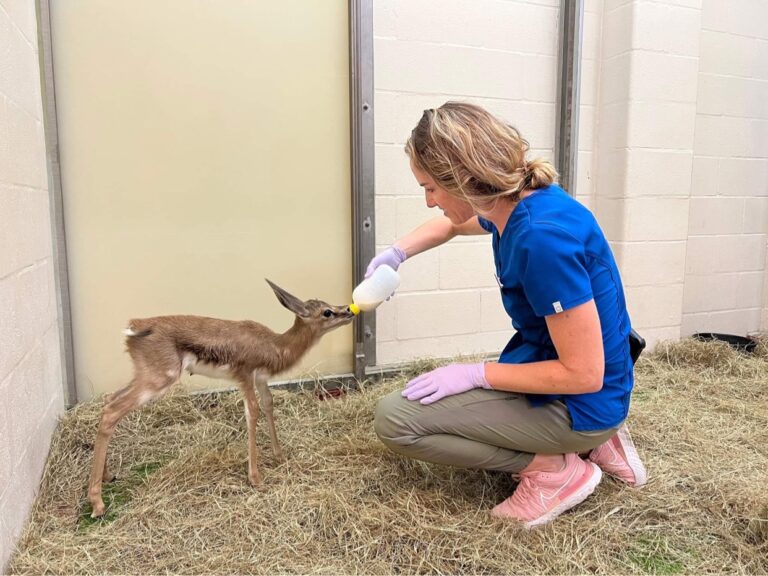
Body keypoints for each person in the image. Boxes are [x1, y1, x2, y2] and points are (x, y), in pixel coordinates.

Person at [369, 102, 647, 529]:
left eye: (430, 188)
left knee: (396, 420)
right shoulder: (516, 205)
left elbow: (584, 373)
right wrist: (397, 253)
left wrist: (475, 374)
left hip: (585, 398)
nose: (428, 202)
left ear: (462, 179)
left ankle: (557, 471)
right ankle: (596, 443)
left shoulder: (541, 240)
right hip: (582, 379)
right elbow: (450, 226)